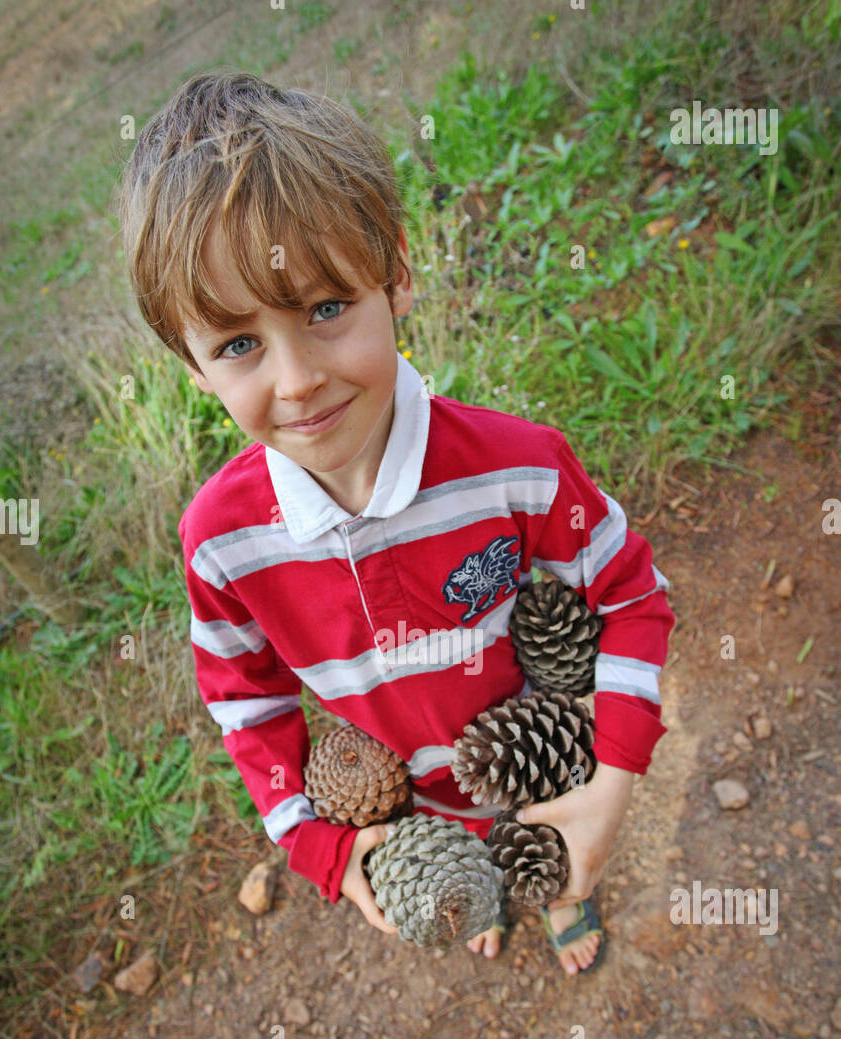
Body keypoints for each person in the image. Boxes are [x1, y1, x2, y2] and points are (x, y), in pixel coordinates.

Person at [118, 71, 675, 979]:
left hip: (548, 765)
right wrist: (319, 845)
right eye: (238, 344)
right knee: (475, 883)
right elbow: (246, 702)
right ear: (192, 366)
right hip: (410, 807)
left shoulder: (520, 469)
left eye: (326, 309)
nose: (296, 378)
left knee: (561, 853)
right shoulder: (222, 541)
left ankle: (570, 888)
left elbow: (632, 596)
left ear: (397, 275)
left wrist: (611, 782)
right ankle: (489, 890)